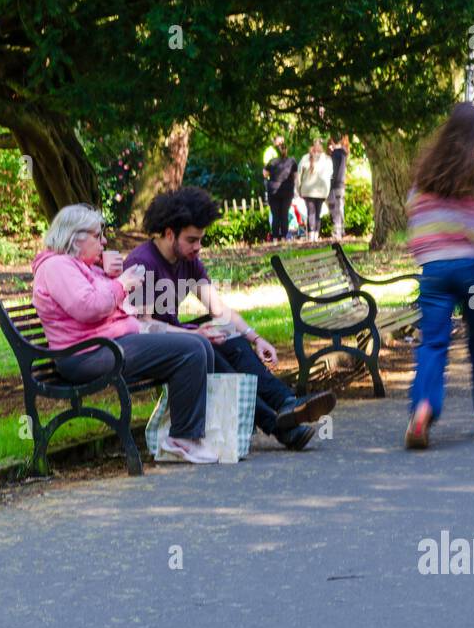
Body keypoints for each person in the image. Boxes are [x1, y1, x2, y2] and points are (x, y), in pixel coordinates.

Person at [124, 187, 337, 450]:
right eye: (192, 240)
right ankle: (278, 425)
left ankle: (286, 402)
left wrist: (255, 338)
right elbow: (142, 326)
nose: (198, 247)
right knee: (210, 351)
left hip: (180, 341)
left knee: (229, 337)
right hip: (147, 350)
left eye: (200, 239)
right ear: (170, 234)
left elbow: (219, 309)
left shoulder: (188, 261)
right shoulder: (142, 264)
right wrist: (193, 335)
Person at [31, 204, 219, 465]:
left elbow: (113, 304)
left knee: (198, 343)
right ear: (75, 237)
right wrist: (121, 284)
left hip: (108, 346)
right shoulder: (57, 267)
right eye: (98, 236)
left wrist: (112, 277)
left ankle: (187, 434)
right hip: (86, 356)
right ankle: (181, 439)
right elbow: (88, 307)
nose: (104, 241)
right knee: (191, 350)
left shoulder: (81, 267)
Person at [404, 103, 474, 450]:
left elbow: (412, 212)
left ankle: (423, 407)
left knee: (433, 343)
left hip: (434, 272)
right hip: (473, 272)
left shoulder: (425, 175)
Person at [295, 138, 334, 242]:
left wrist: (298, 189)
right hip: (321, 191)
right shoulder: (327, 159)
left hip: (307, 190)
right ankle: (315, 236)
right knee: (317, 214)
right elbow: (330, 176)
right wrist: (327, 191)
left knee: (311, 212)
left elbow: (299, 175)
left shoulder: (305, 158)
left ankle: (311, 236)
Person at [263, 137, 297, 241]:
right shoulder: (292, 161)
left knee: (275, 215)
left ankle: (275, 238)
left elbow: (265, 174)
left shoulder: (272, 162)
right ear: (286, 150)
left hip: (273, 191)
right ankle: (283, 237)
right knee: (284, 214)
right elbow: (295, 176)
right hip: (287, 191)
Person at [328, 135, 350, 240]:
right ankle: (341, 229)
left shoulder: (335, 154)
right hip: (341, 184)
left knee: (335, 208)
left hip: (335, 184)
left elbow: (333, 171)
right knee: (340, 207)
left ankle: (337, 232)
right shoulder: (344, 153)